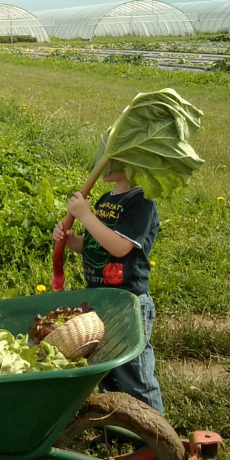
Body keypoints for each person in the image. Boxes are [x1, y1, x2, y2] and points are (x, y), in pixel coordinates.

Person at [52, 168, 164, 414]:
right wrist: (70, 240)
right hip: (100, 298)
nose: (100, 164)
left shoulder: (141, 202)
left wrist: (85, 215)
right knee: (108, 371)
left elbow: (120, 247)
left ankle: (154, 435)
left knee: (134, 372)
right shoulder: (106, 200)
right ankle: (120, 426)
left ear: (130, 162)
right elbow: (97, 244)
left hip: (128, 302)